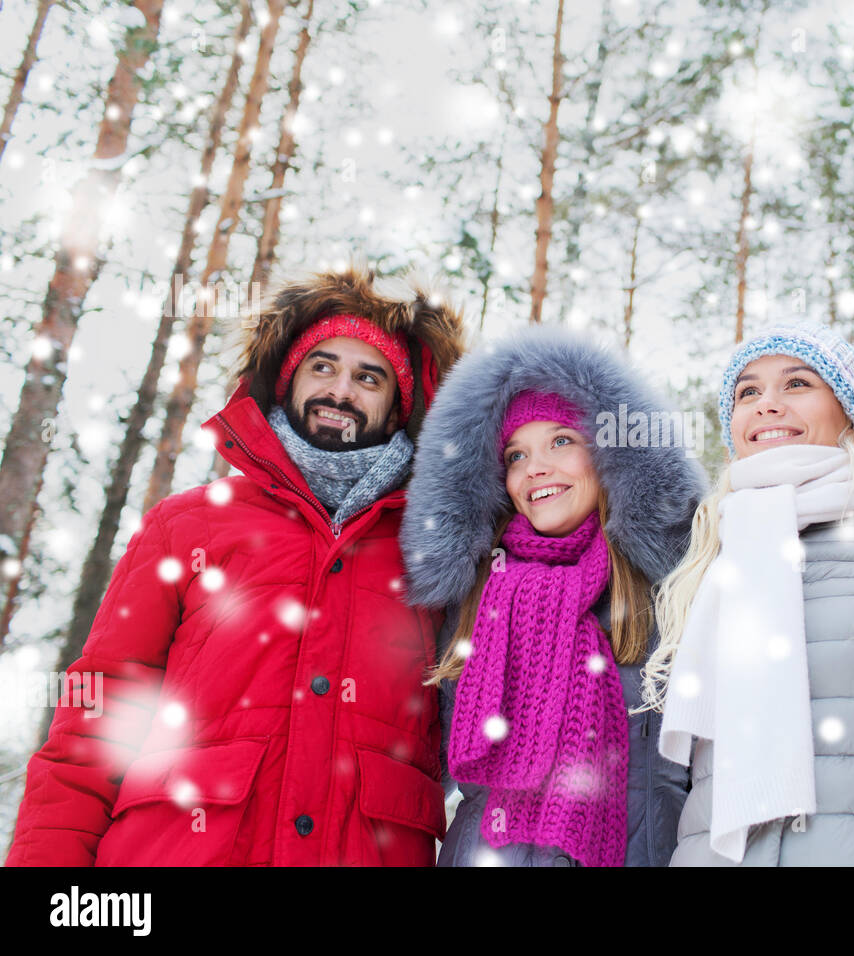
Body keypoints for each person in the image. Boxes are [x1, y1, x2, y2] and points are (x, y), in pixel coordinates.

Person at [6, 265, 465, 866]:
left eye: (369, 377)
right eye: (321, 366)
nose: (340, 391)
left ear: (399, 406)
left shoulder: (437, 551)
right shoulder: (189, 525)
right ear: (286, 380)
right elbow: (94, 724)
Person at [644, 322, 854, 866]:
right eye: (748, 392)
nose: (767, 404)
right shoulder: (707, 557)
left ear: (850, 416)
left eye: (797, 384)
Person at [399, 328, 706, 866]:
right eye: (516, 455)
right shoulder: (474, 600)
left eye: (562, 441)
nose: (535, 468)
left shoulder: (673, 592)